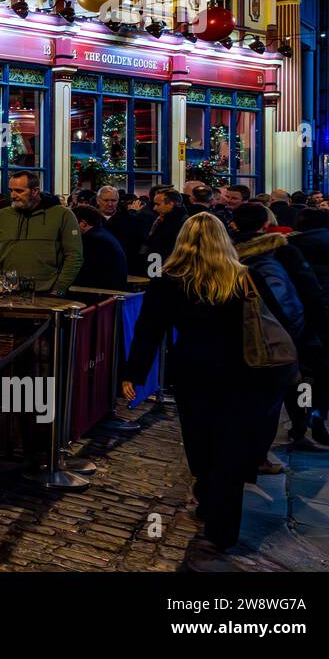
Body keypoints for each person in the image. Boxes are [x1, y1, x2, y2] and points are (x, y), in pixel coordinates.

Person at [121, 214, 291, 551]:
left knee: (201, 443)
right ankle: (223, 527)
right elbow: (278, 320)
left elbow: (148, 331)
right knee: (231, 447)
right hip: (244, 372)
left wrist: (133, 374)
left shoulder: (170, 281)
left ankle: (208, 497)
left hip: (194, 372)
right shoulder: (243, 277)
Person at [230, 202, 325, 447]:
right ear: (265, 224)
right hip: (290, 328)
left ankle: (254, 443)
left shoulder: (228, 255)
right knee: (299, 382)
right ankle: (300, 424)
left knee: (258, 393)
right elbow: (309, 288)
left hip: (247, 332)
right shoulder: (283, 250)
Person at [288, 208, 329, 439]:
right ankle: (319, 413)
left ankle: (300, 418)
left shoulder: (289, 247)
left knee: (303, 373)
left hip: (299, 318)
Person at [0, 171, 82, 295]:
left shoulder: (62, 215)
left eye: (19, 191)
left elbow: (74, 256)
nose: (13, 195)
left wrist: (58, 289)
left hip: (47, 292)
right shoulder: (3, 216)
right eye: (11, 190)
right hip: (8, 292)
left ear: (35, 191)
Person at [72, 205, 129, 290]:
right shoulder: (103, 234)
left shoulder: (91, 239)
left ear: (83, 224)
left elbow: (83, 272)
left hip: (99, 293)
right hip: (111, 290)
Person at [97, 185, 142, 275]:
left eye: (113, 200)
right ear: (98, 201)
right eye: (106, 200)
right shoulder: (90, 219)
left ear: (118, 201)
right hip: (96, 268)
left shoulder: (130, 220)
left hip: (122, 268)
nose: (110, 204)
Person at [142, 188, 187, 266]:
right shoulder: (162, 220)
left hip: (165, 269)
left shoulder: (182, 224)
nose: (154, 208)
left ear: (171, 204)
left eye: (158, 204)